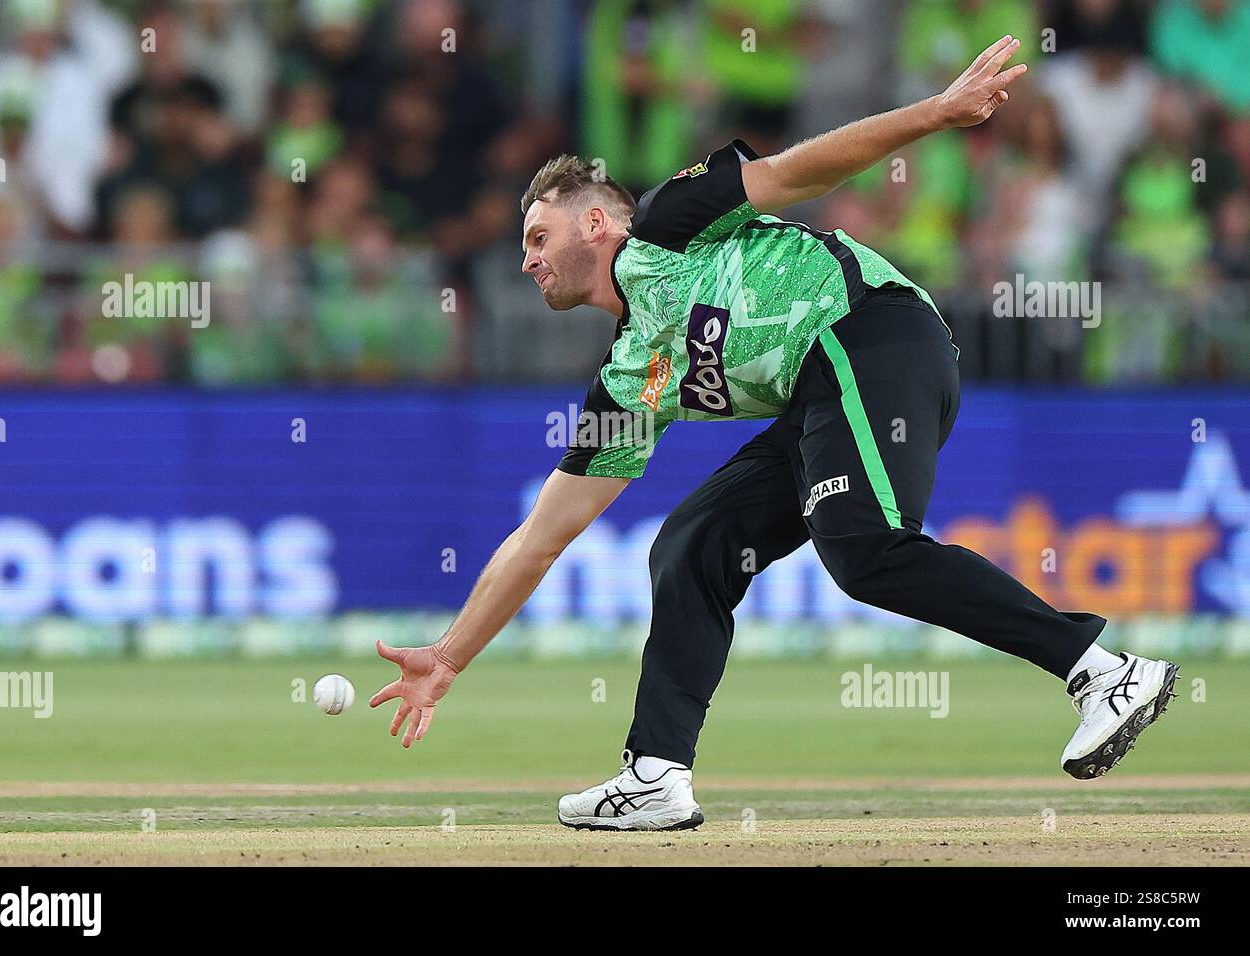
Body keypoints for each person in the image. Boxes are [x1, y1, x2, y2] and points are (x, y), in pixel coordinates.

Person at [369, 37, 1179, 831]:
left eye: (537, 239)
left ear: (595, 220)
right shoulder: (626, 381)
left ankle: (1099, 671)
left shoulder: (665, 222)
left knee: (863, 550)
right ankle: (655, 774)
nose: (526, 262)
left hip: (869, 331)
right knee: (692, 542)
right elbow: (542, 536)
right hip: (820, 390)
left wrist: (935, 114)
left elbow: (804, 168)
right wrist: (449, 655)